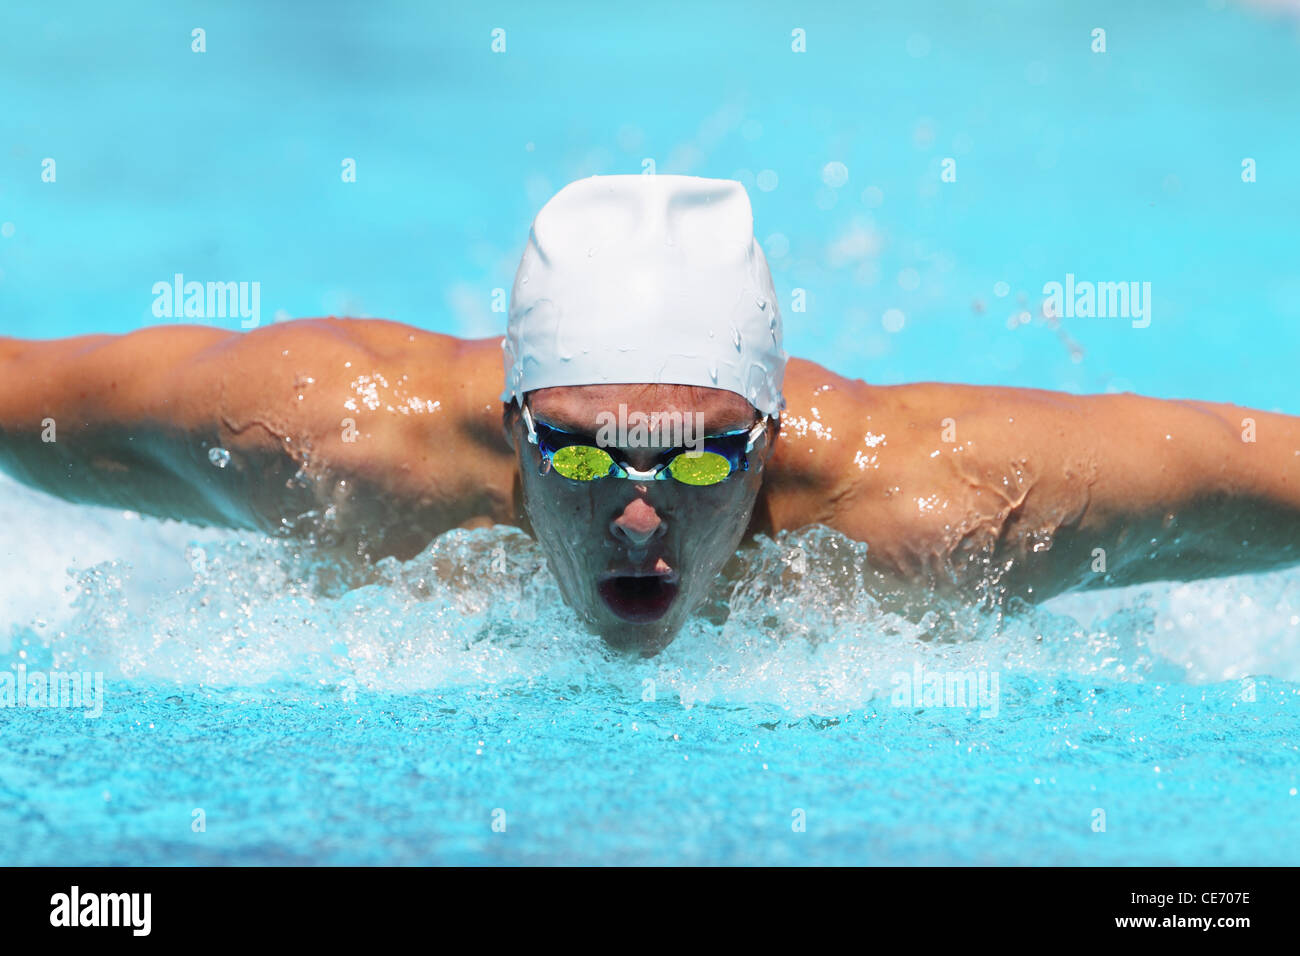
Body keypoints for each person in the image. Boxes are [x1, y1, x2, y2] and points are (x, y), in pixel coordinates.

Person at [1, 175, 1298, 654]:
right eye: (577, 448)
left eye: (697, 460)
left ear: (773, 436)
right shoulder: (339, 446)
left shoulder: (940, 502)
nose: (636, 512)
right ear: (509, 424)